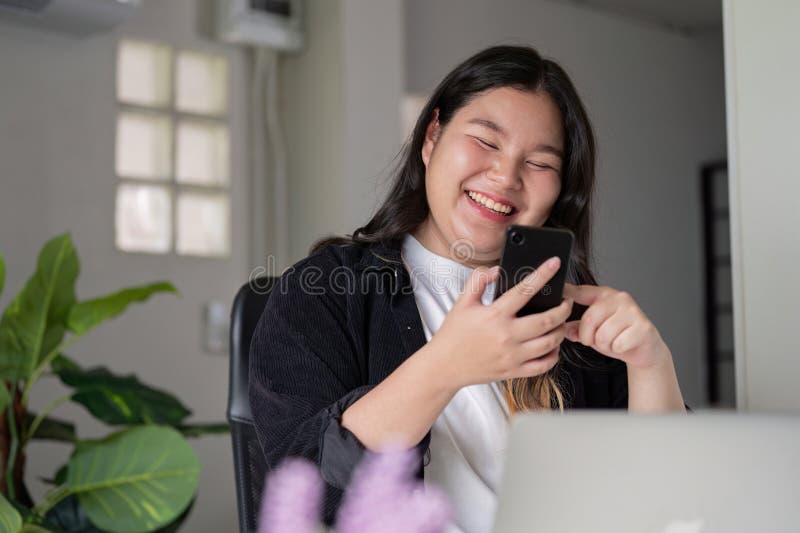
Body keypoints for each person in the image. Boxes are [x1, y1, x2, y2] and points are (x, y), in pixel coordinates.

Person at [249, 45, 686, 531]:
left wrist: (651, 364)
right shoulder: (327, 292)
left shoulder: (567, 316)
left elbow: (667, 504)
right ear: (433, 136)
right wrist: (446, 366)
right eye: (486, 141)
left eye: (540, 163)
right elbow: (311, 494)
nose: (505, 176)